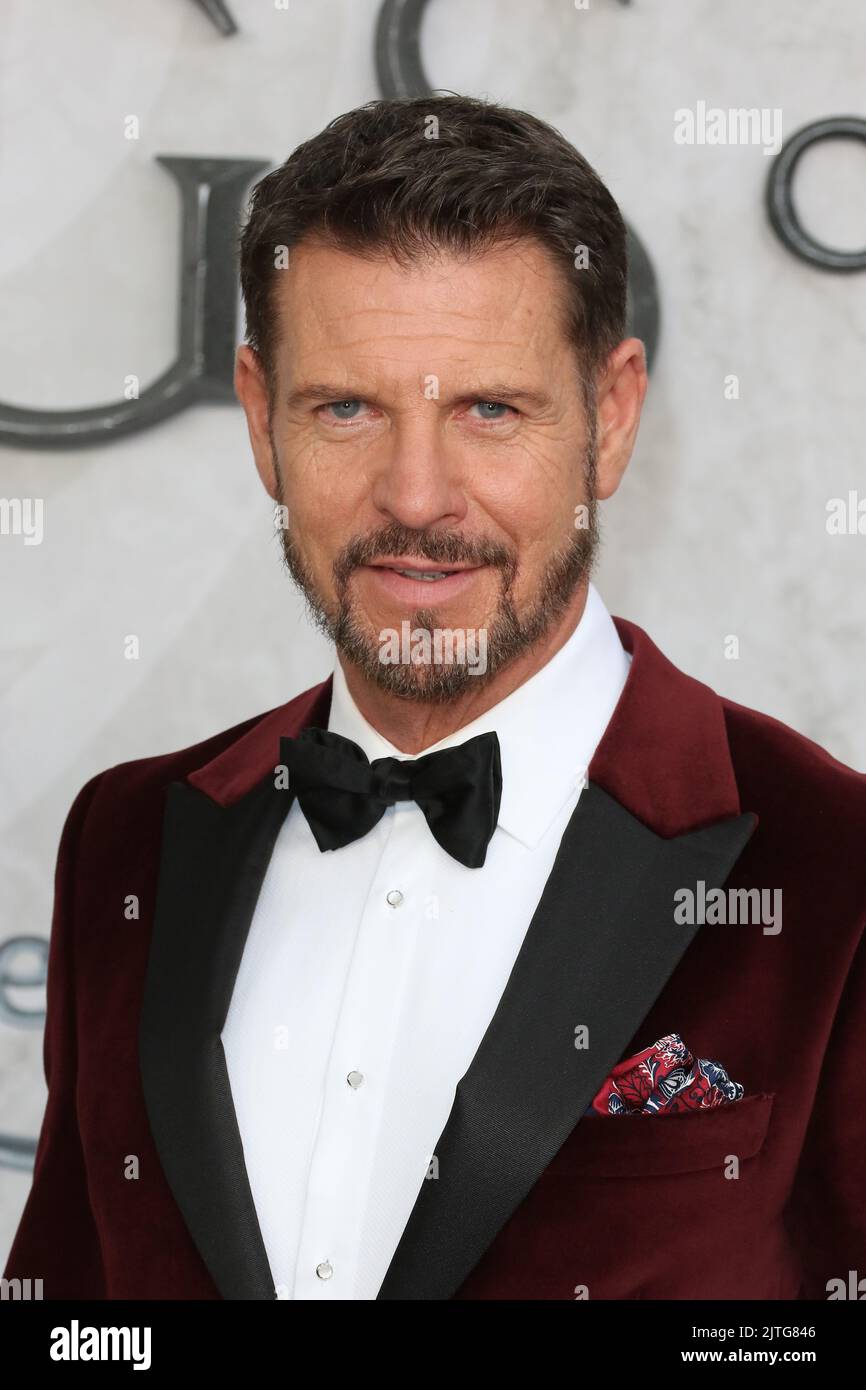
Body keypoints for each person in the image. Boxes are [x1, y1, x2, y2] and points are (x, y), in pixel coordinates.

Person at [4, 94, 865, 1301]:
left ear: (608, 419)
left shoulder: (832, 867)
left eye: (488, 410)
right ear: (260, 418)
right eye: (345, 408)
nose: (416, 497)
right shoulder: (128, 838)